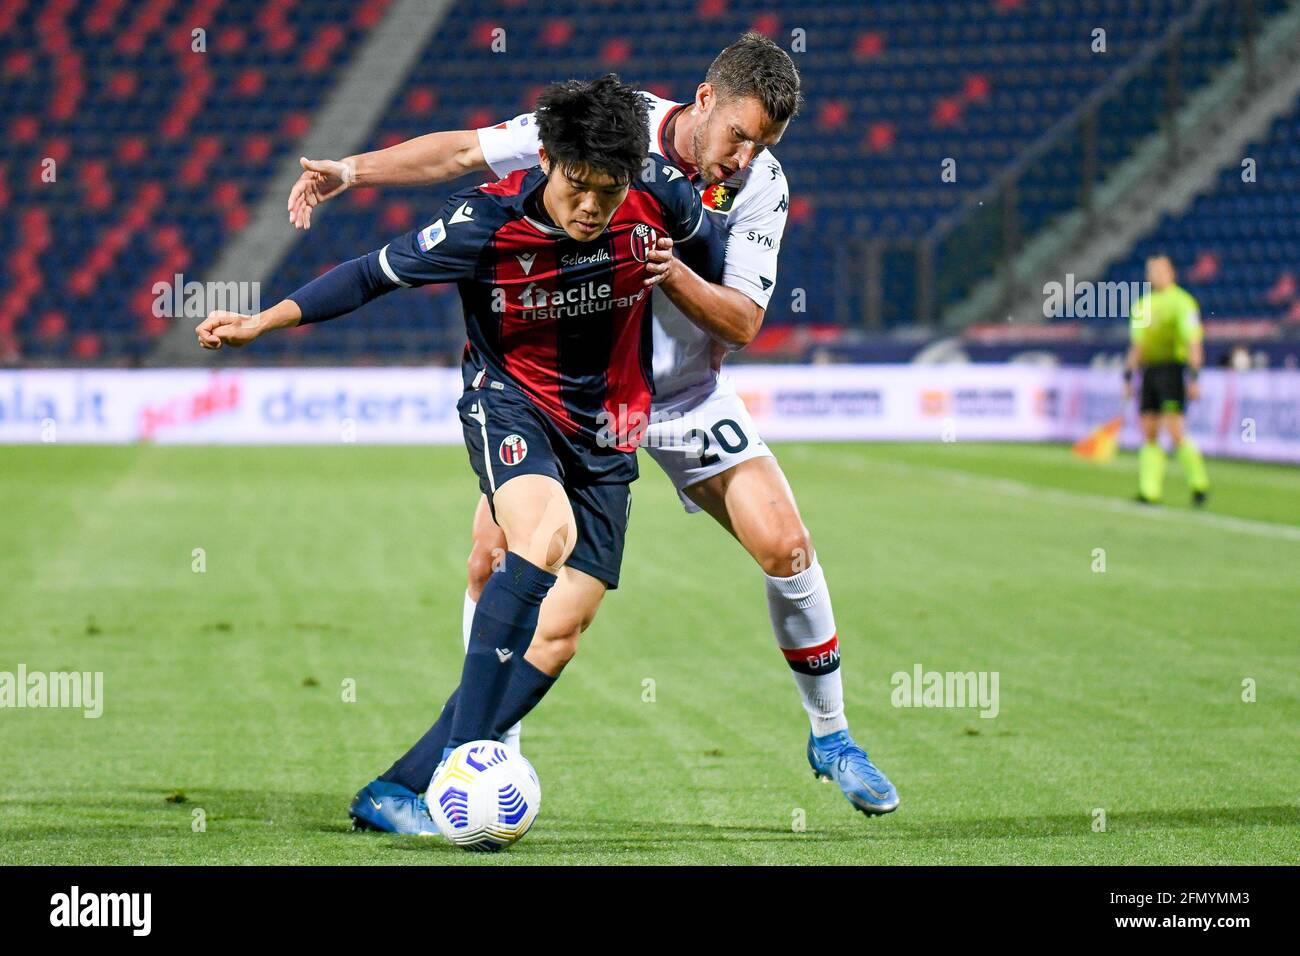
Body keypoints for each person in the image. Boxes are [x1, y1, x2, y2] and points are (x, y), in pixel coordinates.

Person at [288, 32, 900, 823]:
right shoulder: (611, 127)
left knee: (786, 545)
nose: (745, 156)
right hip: (572, 399)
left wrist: (673, 269)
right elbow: (468, 155)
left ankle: (832, 735)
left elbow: (744, 319)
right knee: (496, 559)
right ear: (703, 102)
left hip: (680, 398)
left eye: (764, 144)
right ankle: (484, 747)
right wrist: (352, 170)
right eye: (739, 135)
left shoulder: (761, 187)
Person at [197, 75, 720, 834]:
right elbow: (369, 276)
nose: (590, 207)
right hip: (512, 402)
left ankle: (398, 788)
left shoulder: (663, 196)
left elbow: (707, 243)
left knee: (563, 633)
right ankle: (472, 757)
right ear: (547, 160)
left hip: (610, 427)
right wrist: (262, 322)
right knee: (543, 540)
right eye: (577, 186)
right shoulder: (483, 224)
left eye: (608, 192)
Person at [1124, 254, 1210, 506]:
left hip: (1172, 372)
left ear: (1171, 273)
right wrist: (1129, 376)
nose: (1155, 276)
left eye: (1160, 271)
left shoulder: (1183, 302)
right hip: (1150, 372)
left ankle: (1199, 483)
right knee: (1149, 431)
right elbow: (1137, 345)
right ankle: (1149, 490)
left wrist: (1193, 377)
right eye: (1151, 271)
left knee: (1175, 431)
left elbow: (1194, 342)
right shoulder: (1142, 305)